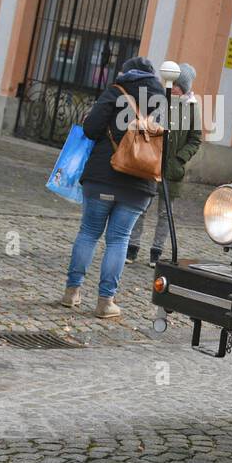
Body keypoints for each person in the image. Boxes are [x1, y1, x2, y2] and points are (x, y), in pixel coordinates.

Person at [61, 57, 165, 317]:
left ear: (127, 73)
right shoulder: (162, 100)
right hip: (139, 183)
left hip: (102, 176)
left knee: (88, 233)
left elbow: (92, 129)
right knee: (119, 240)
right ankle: (105, 302)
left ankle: (72, 292)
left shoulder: (115, 91)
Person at [127, 63, 202, 266]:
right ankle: (132, 247)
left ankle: (156, 251)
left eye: (179, 85)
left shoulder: (192, 109)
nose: (174, 88)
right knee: (141, 207)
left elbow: (195, 140)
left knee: (164, 214)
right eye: (173, 84)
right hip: (151, 164)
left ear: (185, 88)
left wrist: (179, 159)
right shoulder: (159, 101)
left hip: (172, 171)